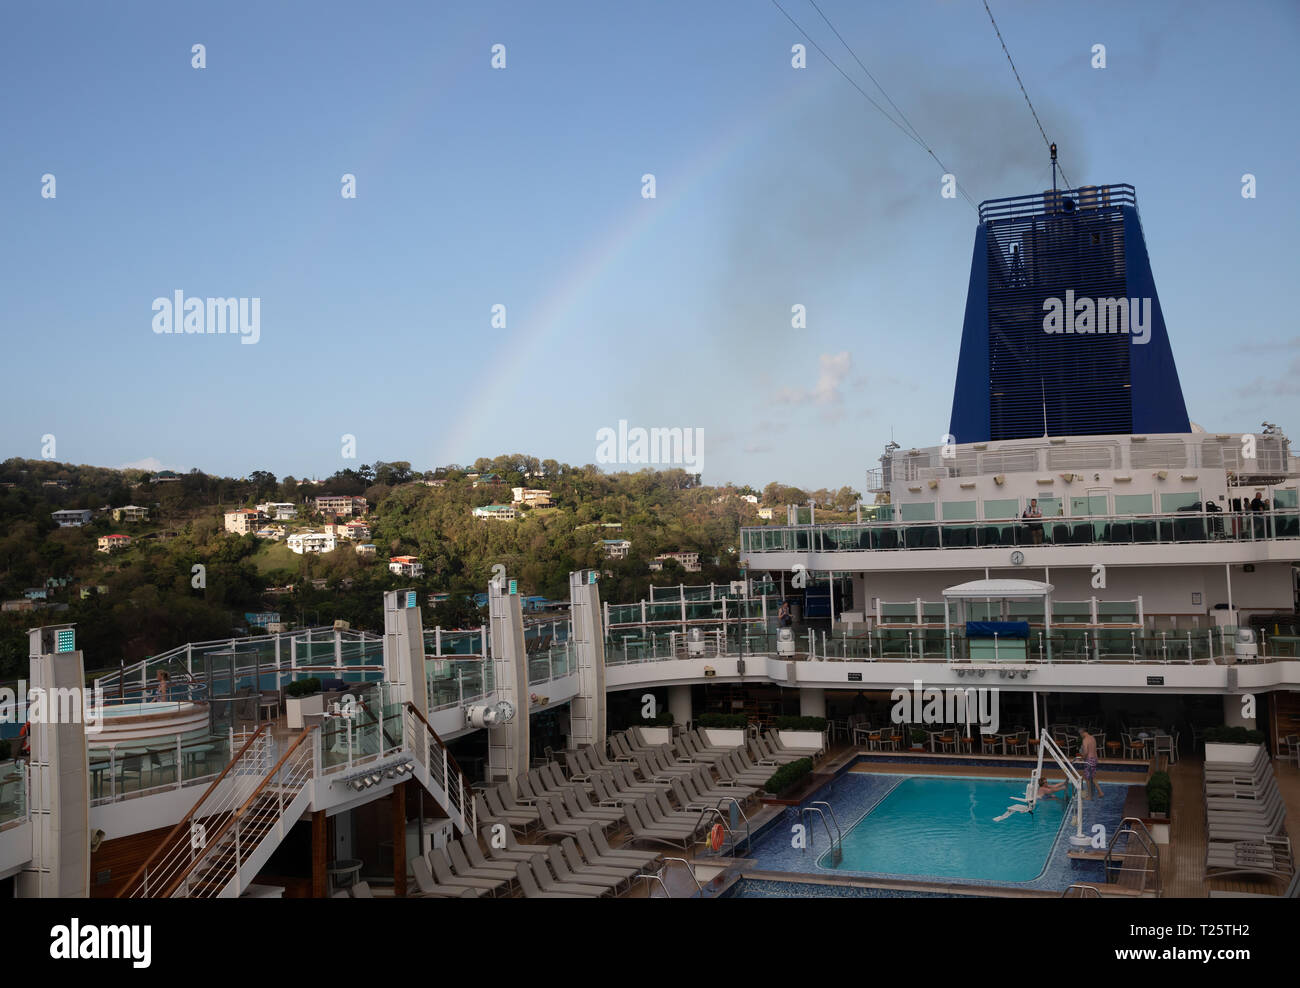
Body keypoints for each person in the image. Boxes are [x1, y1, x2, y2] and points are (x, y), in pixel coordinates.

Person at [1076, 729, 1103, 800]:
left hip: (1089, 760)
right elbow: (1095, 750)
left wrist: (1081, 758)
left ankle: (1090, 796)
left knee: (1087, 778)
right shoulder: (1092, 738)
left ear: (1082, 733)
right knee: (1093, 777)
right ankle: (1100, 792)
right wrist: (1096, 759)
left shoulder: (1085, 740)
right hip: (1094, 759)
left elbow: (1086, 752)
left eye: (1080, 735)